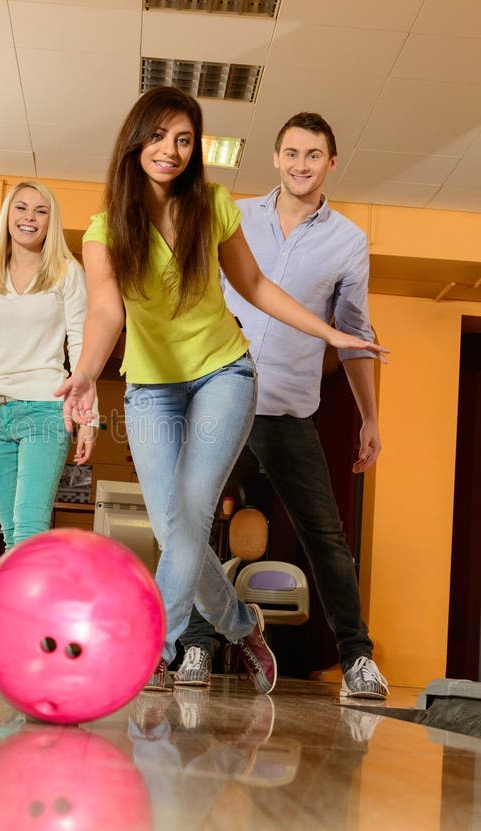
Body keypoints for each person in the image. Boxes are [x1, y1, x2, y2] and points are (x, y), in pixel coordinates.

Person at [56, 87, 387, 695]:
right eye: (159, 137)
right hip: (152, 388)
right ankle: (240, 624)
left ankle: (154, 649)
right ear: (135, 142)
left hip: (222, 375)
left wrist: (331, 334)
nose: (171, 151)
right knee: (171, 524)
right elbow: (105, 310)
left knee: (191, 515)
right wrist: (84, 371)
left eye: (184, 139)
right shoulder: (105, 229)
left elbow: (255, 285)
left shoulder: (212, 204)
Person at [181, 112, 389, 699]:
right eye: (292, 153)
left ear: (330, 162)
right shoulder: (235, 216)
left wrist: (370, 416)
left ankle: (356, 660)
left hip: (288, 411)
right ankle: (196, 646)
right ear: (276, 157)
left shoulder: (348, 242)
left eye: (313, 154)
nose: (301, 164)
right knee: (196, 528)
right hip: (219, 399)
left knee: (326, 538)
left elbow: (352, 337)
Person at [0, 181, 96, 668]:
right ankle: (29, 639)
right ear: (7, 216)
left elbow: (80, 345)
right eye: (21, 208)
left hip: (44, 409)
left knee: (32, 529)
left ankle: (18, 641)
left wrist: (88, 415)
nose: (30, 217)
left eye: (40, 210)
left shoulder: (67, 273)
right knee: (12, 531)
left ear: (50, 220)